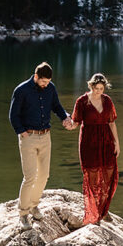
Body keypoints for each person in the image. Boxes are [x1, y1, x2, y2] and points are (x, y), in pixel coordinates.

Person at [9, 61, 76, 228]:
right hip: (28, 137)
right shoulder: (22, 90)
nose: (46, 85)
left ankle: (33, 205)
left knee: (44, 175)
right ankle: (23, 214)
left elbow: (56, 106)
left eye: (48, 82)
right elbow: (13, 114)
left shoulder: (50, 88)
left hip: (46, 136)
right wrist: (21, 131)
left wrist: (65, 117)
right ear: (36, 76)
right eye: (43, 82)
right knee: (30, 177)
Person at [71, 72, 120, 225]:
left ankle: (103, 210)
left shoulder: (107, 101)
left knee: (108, 174)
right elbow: (75, 121)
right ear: (91, 86)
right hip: (88, 142)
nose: (99, 91)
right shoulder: (82, 101)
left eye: (102, 88)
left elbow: (112, 123)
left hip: (106, 141)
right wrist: (67, 124)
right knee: (91, 176)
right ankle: (94, 214)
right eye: (96, 88)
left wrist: (117, 143)